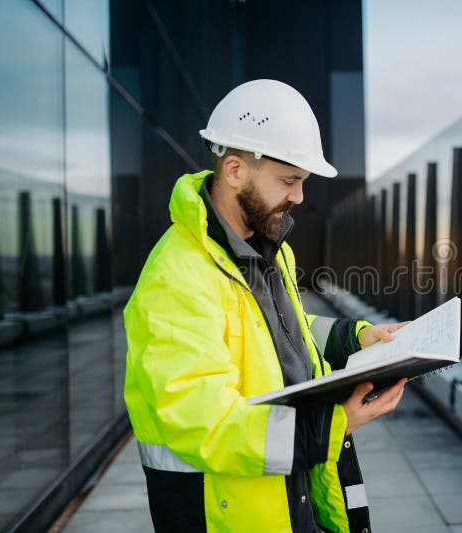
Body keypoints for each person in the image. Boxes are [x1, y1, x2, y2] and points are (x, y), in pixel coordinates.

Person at [123, 79, 407, 533]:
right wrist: (330, 427)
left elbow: (275, 335)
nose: (299, 197)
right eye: (288, 180)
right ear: (235, 170)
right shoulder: (176, 278)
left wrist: (356, 338)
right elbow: (204, 423)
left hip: (290, 503)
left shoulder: (267, 249)